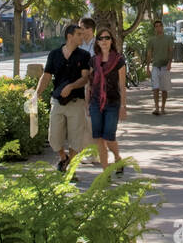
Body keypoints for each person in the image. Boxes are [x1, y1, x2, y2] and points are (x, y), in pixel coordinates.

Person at [36, 23, 93, 175]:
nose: (83, 37)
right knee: (54, 137)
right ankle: (63, 157)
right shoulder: (54, 54)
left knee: (76, 138)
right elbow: (46, 76)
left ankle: (70, 170)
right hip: (57, 102)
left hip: (76, 102)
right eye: (79, 34)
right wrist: (37, 93)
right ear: (70, 36)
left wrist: (72, 87)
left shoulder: (84, 55)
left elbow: (85, 78)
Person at [88, 27, 128, 170]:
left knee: (109, 137)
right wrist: (88, 104)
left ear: (112, 41)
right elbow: (90, 84)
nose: (104, 41)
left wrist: (123, 106)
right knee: (98, 137)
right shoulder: (93, 61)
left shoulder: (118, 60)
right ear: (97, 42)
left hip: (112, 103)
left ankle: (117, 158)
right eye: (101, 38)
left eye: (107, 38)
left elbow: (122, 85)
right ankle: (105, 172)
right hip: (95, 103)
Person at [146, 19, 174, 115]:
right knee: (155, 88)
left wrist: (170, 62)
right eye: (156, 26)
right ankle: (156, 107)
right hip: (155, 66)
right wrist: (147, 67)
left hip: (165, 66)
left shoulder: (168, 38)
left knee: (164, 89)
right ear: (154, 28)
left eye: (160, 26)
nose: (158, 28)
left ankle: (163, 107)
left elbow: (170, 51)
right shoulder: (151, 40)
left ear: (162, 27)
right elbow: (149, 54)